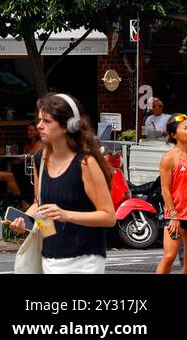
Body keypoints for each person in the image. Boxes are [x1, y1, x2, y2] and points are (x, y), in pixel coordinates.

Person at [8, 93, 115, 274]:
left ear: (68, 125)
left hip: (84, 259)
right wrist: (23, 221)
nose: (39, 126)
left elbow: (109, 217)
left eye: (47, 121)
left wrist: (67, 215)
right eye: (39, 120)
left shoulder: (86, 163)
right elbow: (39, 205)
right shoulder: (40, 159)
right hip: (49, 256)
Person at [156, 114, 187, 274]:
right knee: (169, 256)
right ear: (173, 134)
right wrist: (173, 216)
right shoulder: (169, 158)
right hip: (175, 217)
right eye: (185, 128)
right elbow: (165, 190)